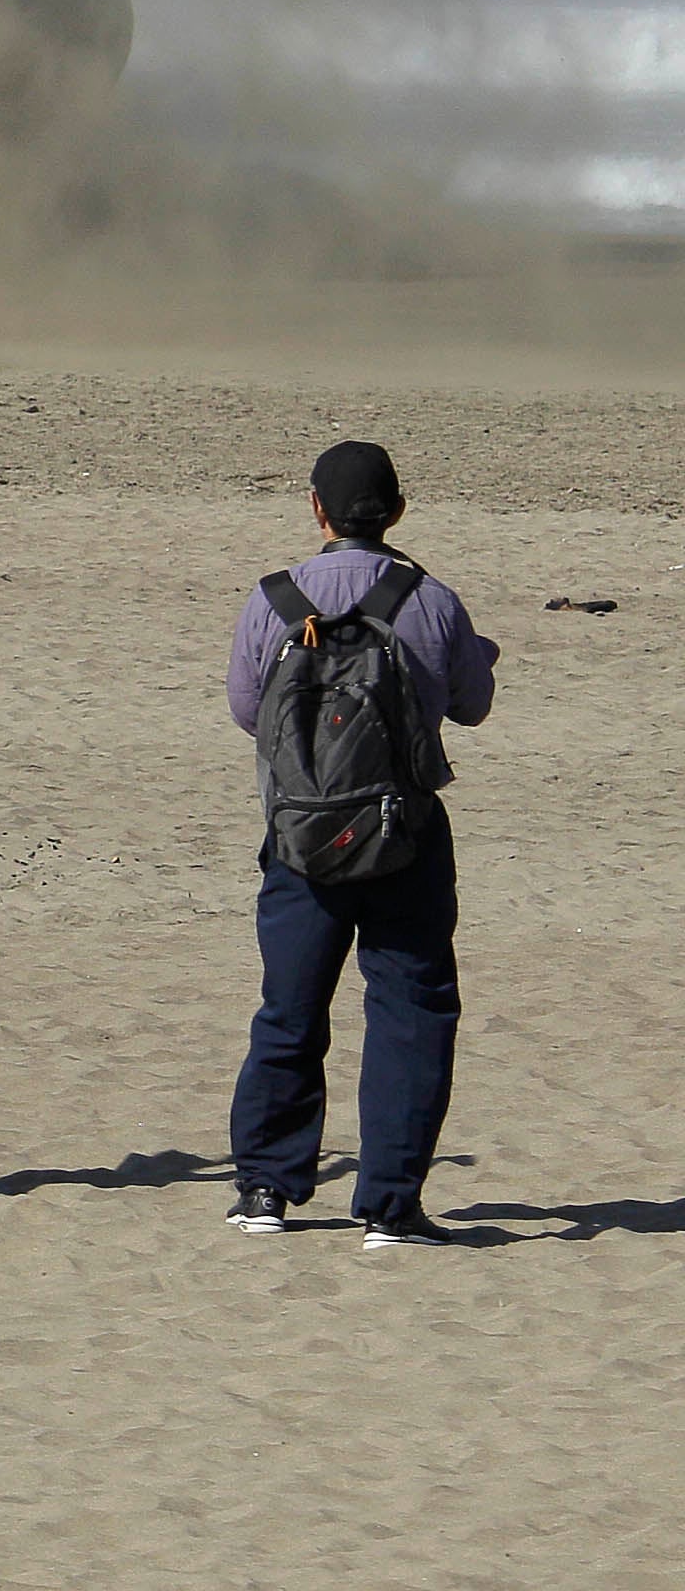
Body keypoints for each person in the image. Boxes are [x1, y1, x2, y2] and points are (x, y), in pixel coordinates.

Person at [220, 438, 494, 1246]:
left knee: (290, 1010)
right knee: (411, 1007)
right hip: (402, 831)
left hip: (299, 834)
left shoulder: (271, 600)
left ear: (317, 509)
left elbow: (247, 713)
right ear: (397, 512)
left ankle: (264, 1190)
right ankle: (389, 1205)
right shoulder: (431, 599)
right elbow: (472, 706)